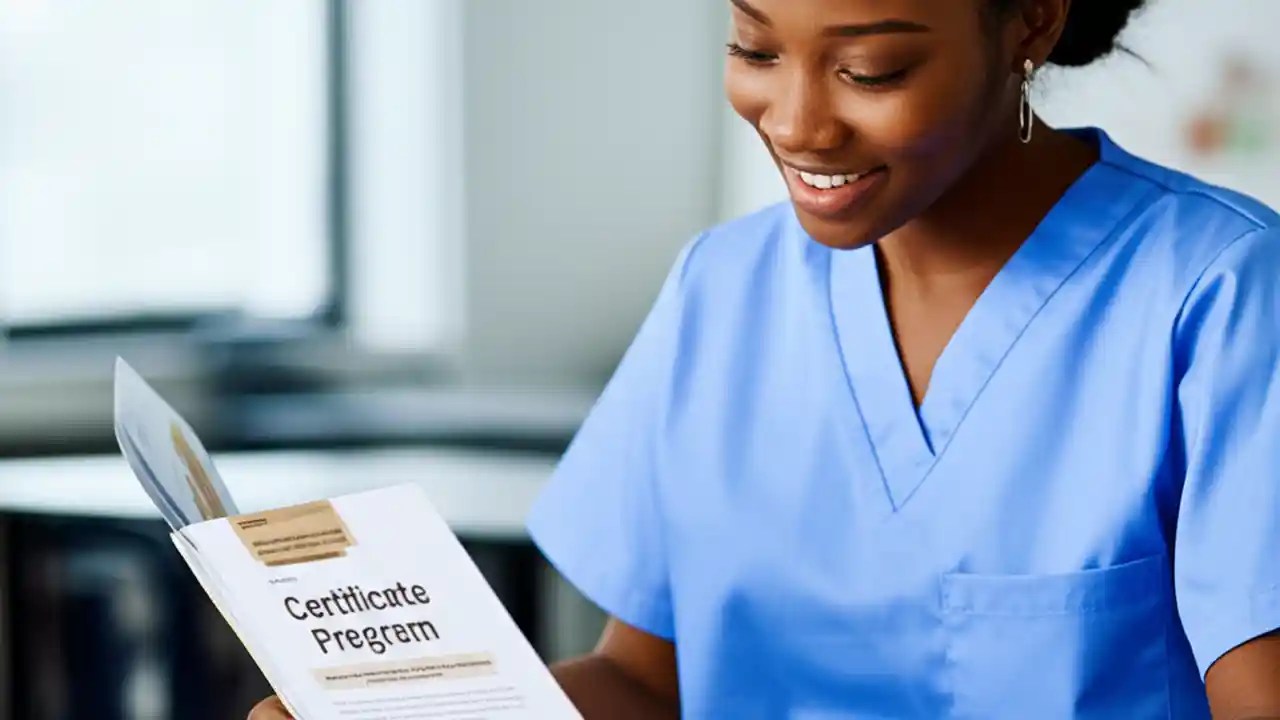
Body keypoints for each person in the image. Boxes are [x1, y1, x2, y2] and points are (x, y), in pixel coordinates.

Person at [252, 0, 1280, 717]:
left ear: (1030, 22)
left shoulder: (1219, 291)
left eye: (869, 70)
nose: (794, 123)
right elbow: (644, 687)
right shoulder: (722, 288)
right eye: (753, 48)